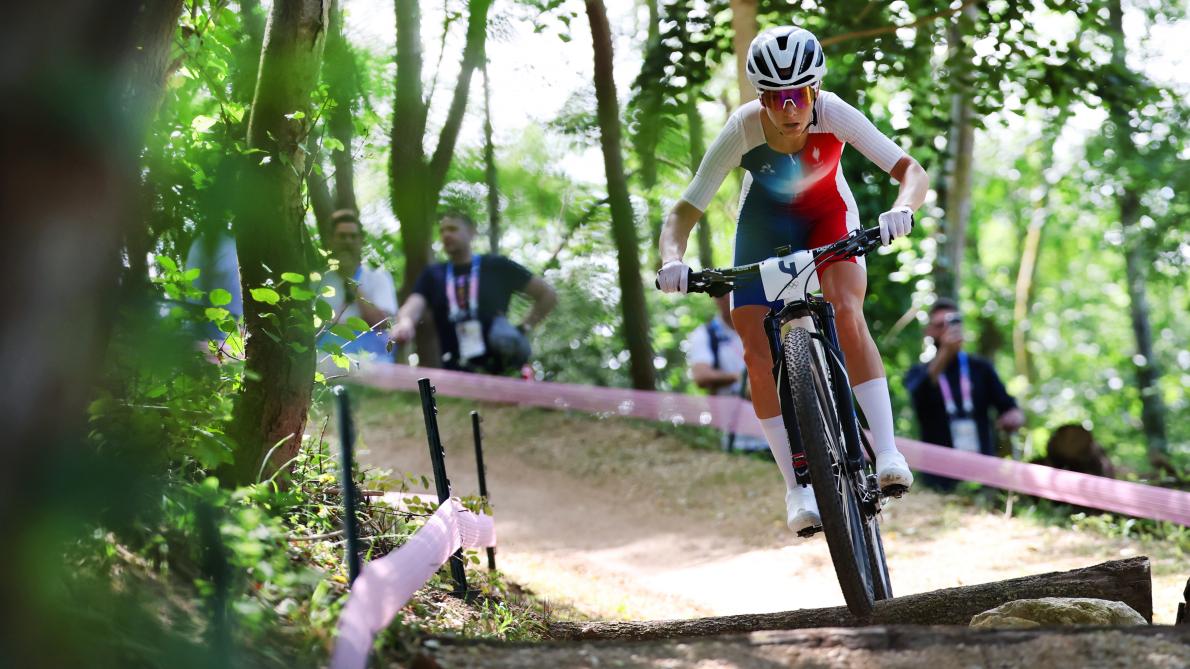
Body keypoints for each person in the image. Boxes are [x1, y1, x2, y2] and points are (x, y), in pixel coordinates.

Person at [657, 26, 929, 536]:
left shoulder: (835, 113)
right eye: (777, 96)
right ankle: (796, 487)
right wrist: (672, 259)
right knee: (755, 348)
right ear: (761, 98)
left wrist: (902, 209)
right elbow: (684, 212)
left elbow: (911, 170)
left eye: (800, 93)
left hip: (828, 214)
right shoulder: (742, 129)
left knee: (847, 309)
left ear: (816, 91)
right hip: (764, 225)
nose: (789, 108)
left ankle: (888, 451)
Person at [389, 211, 557, 374]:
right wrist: (405, 323)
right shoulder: (433, 274)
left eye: (453, 229)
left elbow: (547, 294)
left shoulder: (497, 266)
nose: (446, 235)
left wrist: (523, 328)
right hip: (454, 369)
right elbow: (413, 305)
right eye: (442, 231)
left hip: (502, 368)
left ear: (471, 232)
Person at [904, 298, 1025, 491]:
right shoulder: (919, 372)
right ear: (930, 331)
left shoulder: (981, 368)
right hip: (938, 478)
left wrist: (1013, 416)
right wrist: (945, 353)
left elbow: (1008, 406)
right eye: (940, 325)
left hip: (982, 474)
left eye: (952, 322)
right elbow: (919, 397)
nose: (947, 329)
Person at [685, 293, 768, 452]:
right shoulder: (707, 334)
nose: (729, 299)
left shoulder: (760, 327)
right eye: (722, 295)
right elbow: (701, 376)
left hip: (777, 434)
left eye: (732, 294)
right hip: (736, 441)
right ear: (715, 299)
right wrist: (740, 378)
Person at [318, 209, 398, 358]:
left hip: (374, 360)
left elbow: (385, 324)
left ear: (361, 241)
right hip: (327, 361)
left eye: (353, 236)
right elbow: (315, 329)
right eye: (342, 236)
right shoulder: (320, 282)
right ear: (331, 240)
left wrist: (353, 285)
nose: (347, 241)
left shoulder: (378, 278)